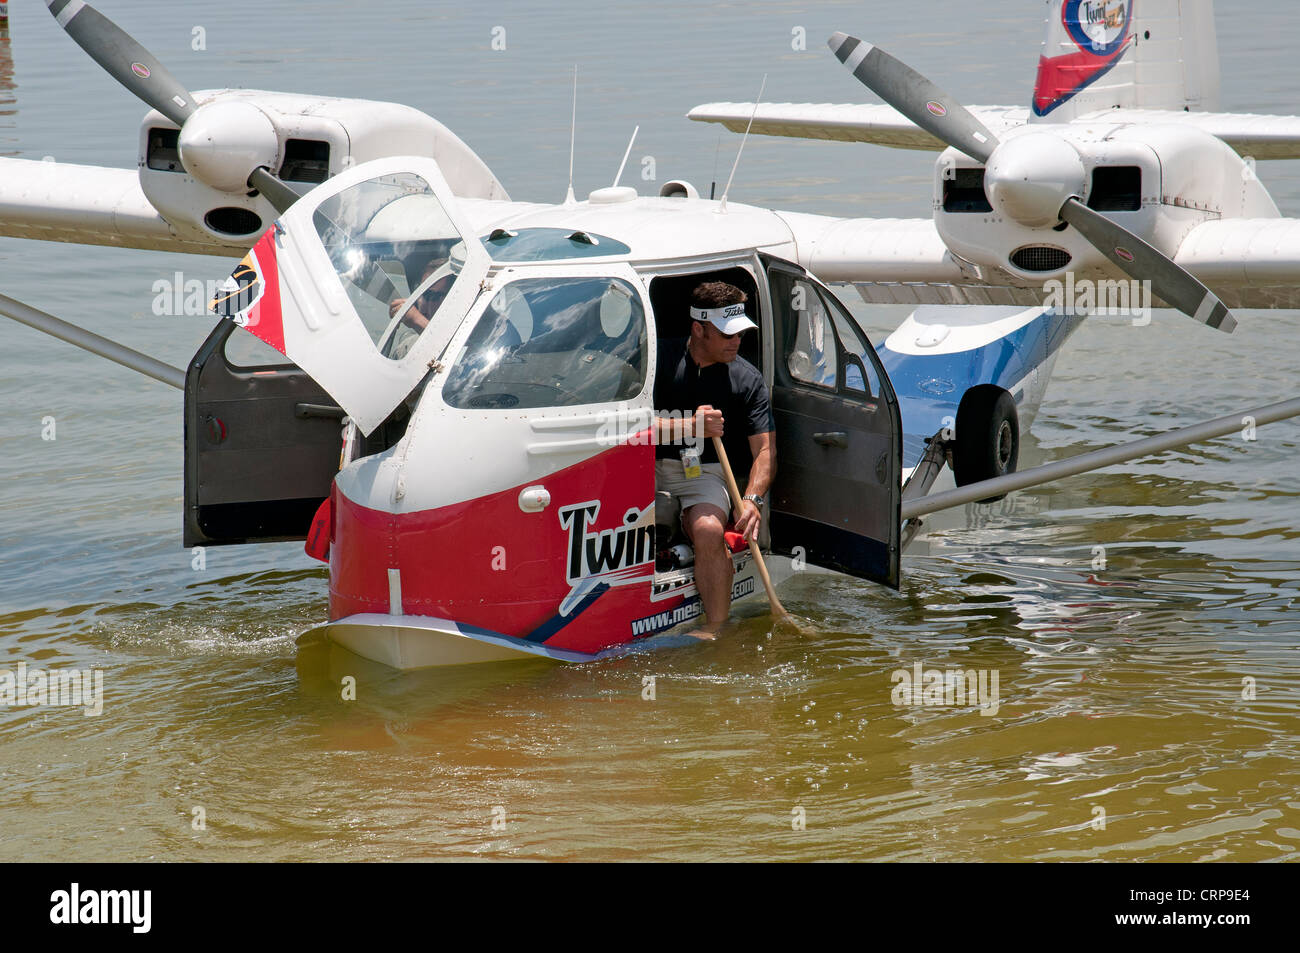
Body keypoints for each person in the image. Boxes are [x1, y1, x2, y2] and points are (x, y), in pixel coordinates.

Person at [654, 281, 775, 635]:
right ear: (698, 328)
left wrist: (753, 499)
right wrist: (688, 426)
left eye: (740, 334)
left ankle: (715, 631)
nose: (736, 342)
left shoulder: (747, 379)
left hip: (704, 473)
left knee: (708, 530)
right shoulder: (657, 360)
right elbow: (623, 426)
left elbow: (765, 451)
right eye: (727, 335)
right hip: (644, 466)